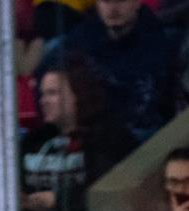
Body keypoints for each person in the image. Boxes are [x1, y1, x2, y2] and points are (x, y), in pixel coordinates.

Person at [19, 58, 129, 211]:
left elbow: (104, 193)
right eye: (42, 94)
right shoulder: (33, 141)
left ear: (78, 95)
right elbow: (19, 185)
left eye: (53, 93)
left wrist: (57, 201)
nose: (43, 100)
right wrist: (23, 201)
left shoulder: (108, 137)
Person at [59, 0, 174, 145]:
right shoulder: (78, 41)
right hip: (94, 134)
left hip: (146, 135)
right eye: (106, 1)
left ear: (137, 3)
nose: (112, 9)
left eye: (120, 1)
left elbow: (154, 104)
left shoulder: (160, 40)